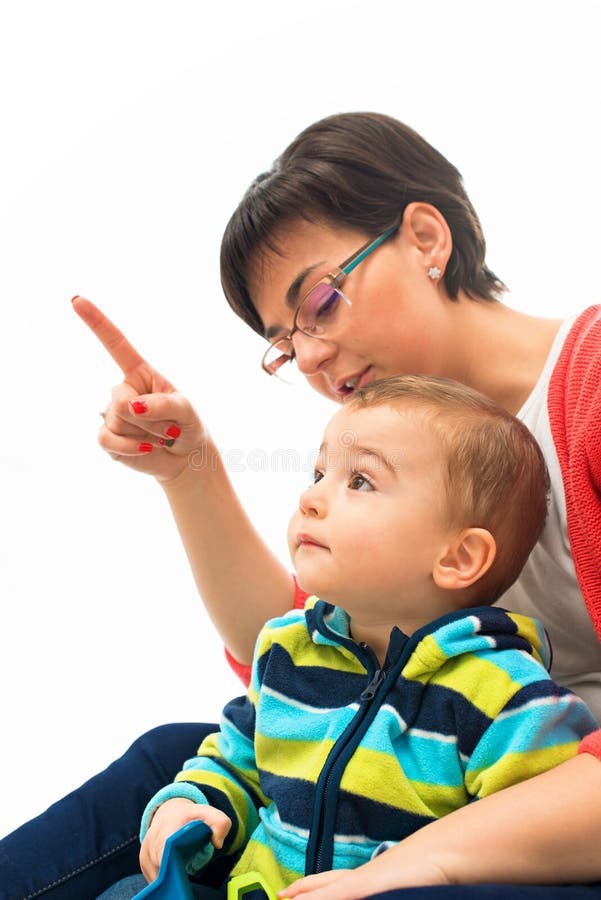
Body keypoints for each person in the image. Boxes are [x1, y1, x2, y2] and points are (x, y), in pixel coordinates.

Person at [2, 111, 601, 899]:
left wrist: (411, 862)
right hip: (433, 785)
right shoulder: (399, 448)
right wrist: (190, 471)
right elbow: (304, 673)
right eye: (285, 342)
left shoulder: (586, 383)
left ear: (425, 237)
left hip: (552, 809)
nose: (311, 357)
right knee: (171, 764)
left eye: (318, 302)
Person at [98, 375, 597, 900]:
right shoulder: (288, 650)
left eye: (359, 480)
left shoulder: (505, 695)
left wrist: (381, 876)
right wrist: (196, 804)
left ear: (459, 558)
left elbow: (531, 844)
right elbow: (238, 764)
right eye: (319, 472)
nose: (310, 497)